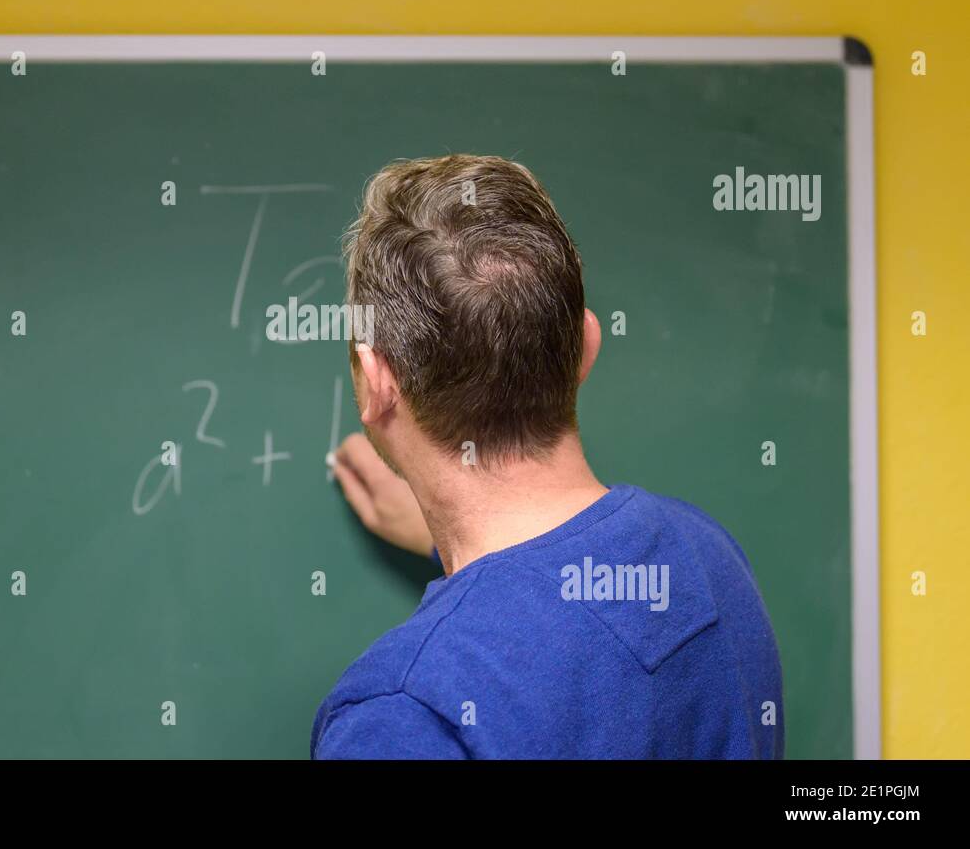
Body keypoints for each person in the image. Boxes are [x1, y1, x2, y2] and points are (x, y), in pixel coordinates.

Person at [313, 155, 783, 759]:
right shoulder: (706, 557)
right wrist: (445, 540)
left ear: (377, 383)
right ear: (586, 345)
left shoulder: (404, 715)